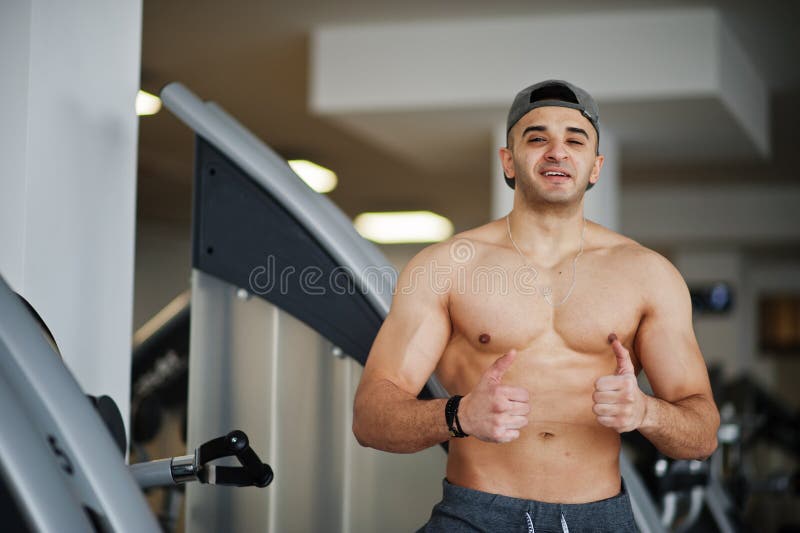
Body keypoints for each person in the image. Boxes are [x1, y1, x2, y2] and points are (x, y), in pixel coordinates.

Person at [352, 79, 720, 532]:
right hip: (476, 515)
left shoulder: (648, 274)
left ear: (595, 166)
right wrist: (459, 414)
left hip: (599, 518)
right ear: (508, 161)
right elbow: (370, 418)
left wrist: (645, 411)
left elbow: (702, 433)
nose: (557, 152)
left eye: (574, 139)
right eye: (537, 138)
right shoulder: (446, 266)